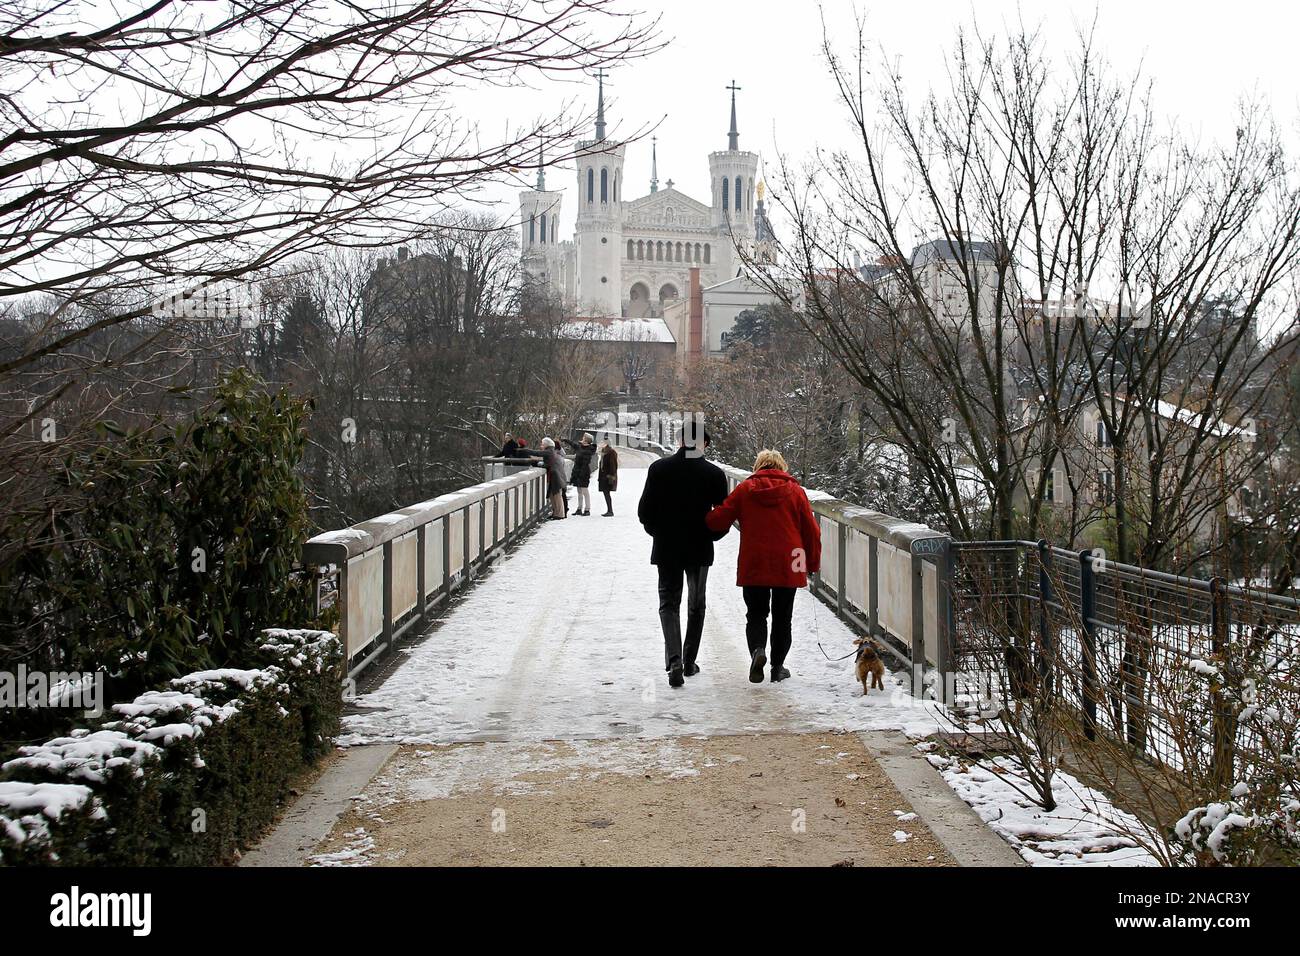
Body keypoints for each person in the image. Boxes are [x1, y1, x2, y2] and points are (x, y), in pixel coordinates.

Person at [705, 449, 821, 683]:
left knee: (756, 614)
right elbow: (811, 531)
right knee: (783, 617)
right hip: (790, 561)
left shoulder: (746, 489)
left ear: (758, 467)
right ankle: (778, 668)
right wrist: (812, 563)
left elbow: (718, 520)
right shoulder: (796, 491)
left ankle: (758, 650)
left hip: (755, 559)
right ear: (782, 467)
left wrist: (701, 514)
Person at [637, 430, 728, 688]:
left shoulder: (659, 469)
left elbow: (645, 511)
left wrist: (658, 532)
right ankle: (689, 661)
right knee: (696, 604)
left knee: (668, 603)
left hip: (667, 547)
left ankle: (674, 660)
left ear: (679, 441)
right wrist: (712, 535)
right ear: (705, 444)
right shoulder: (713, 474)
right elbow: (723, 515)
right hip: (699, 547)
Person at [535, 437, 568, 519]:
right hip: (555, 476)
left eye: (542, 444)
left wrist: (538, 463)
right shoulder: (555, 454)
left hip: (557, 477)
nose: (541, 446)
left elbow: (549, 464)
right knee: (553, 495)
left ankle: (560, 514)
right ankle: (557, 513)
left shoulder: (553, 454)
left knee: (557, 495)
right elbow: (548, 464)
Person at [570, 434, 596, 516]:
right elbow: (573, 444)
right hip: (577, 471)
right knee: (579, 491)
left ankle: (587, 509)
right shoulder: (580, 447)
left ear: (586, 440)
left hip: (584, 472)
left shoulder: (588, 450)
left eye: (583, 437)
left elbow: (585, 464)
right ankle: (579, 508)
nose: (582, 438)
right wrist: (566, 440)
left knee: (584, 490)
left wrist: (582, 473)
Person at [597, 441, 619, 516]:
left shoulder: (611, 452)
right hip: (604, 477)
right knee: (606, 493)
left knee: (607, 493)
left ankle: (610, 511)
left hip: (607, 477)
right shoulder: (604, 452)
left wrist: (611, 476)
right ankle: (609, 510)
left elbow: (613, 465)